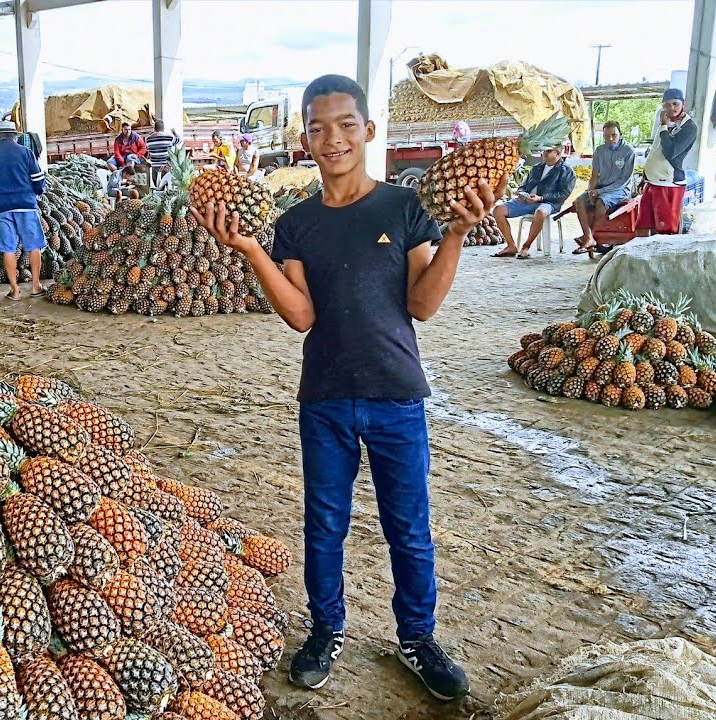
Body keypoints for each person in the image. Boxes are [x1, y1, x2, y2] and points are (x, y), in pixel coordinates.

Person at [190, 73, 496, 702]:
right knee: (325, 525)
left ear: (368, 131)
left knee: (408, 528)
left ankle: (418, 638)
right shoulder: (296, 223)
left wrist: (458, 236)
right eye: (319, 127)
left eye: (345, 125)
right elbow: (301, 316)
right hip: (325, 396)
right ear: (305, 137)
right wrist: (251, 248)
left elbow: (423, 303)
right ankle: (326, 630)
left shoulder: (403, 208)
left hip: (395, 396)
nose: (333, 138)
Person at [0, 120, 47, 301]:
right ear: (15, 136)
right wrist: (37, 192)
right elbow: (38, 181)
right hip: (26, 205)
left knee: (8, 248)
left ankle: (15, 291)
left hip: (1, 207)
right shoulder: (26, 153)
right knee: (33, 245)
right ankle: (35, 286)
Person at [492, 143, 573, 258]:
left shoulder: (566, 171)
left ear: (558, 154)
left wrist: (541, 198)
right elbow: (523, 185)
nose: (544, 153)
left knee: (540, 213)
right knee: (498, 210)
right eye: (544, 150)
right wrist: (521, 193)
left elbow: (563, 194)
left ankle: (526, 247)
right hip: (528, 200)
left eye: (549, 151)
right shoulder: (537, 167)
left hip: (548, 203)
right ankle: (511, 245)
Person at [637, 87, 698, 236]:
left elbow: (670, 152)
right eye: (667, 105)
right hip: (653, 182)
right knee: (643, 225)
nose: (671, 108)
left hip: (668, 183)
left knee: (665, 229)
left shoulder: (689, 127)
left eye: (675, 104)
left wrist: (664, 126)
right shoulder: (663, 123)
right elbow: (655, 150)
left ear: (683, 103)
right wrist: (645, 176)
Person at [572, 120, 635, 255]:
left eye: (614, 135)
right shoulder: (600, 151)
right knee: (579, 202)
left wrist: (599, 192)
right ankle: (588, 236)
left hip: (620, 189)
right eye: (606, 136)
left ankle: (589, 237)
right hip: (600, 187)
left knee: (601, 203)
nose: (610, 139)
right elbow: (594, 175)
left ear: (620, 134)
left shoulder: (628, 151)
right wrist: (590, 191)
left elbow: (623, 181)